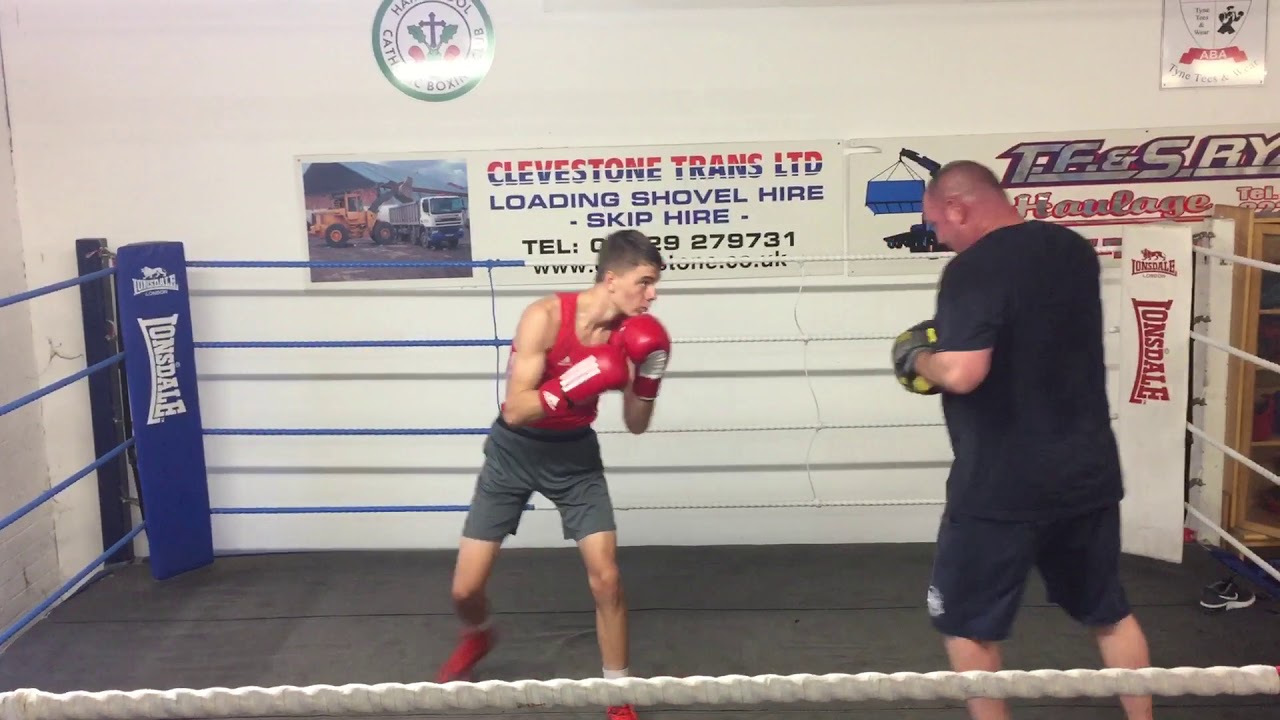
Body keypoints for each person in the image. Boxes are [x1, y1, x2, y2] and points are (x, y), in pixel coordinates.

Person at [890, 161, 1155, 720]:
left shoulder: (972, 269)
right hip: (1085, 469)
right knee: (1109, 612)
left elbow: (963, 372)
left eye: (936, 222)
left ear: (959, 208)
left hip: (1000, 483)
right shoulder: (1072, 250)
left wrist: (919, 359)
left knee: (966, 626)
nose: (937, 237)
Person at [436, 229, 670, 720]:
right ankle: (478, 635)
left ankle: (617, 692)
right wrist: (575, 381)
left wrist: (647, 378)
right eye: (645, 282)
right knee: (465, 591)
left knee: (607, 578)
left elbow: (635, 425)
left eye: (655, 285)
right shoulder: (543, 317)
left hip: (575, 457)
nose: (652, 295)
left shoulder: (632, 339)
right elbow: (517, 410)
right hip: (513, 453)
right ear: (612, 279)